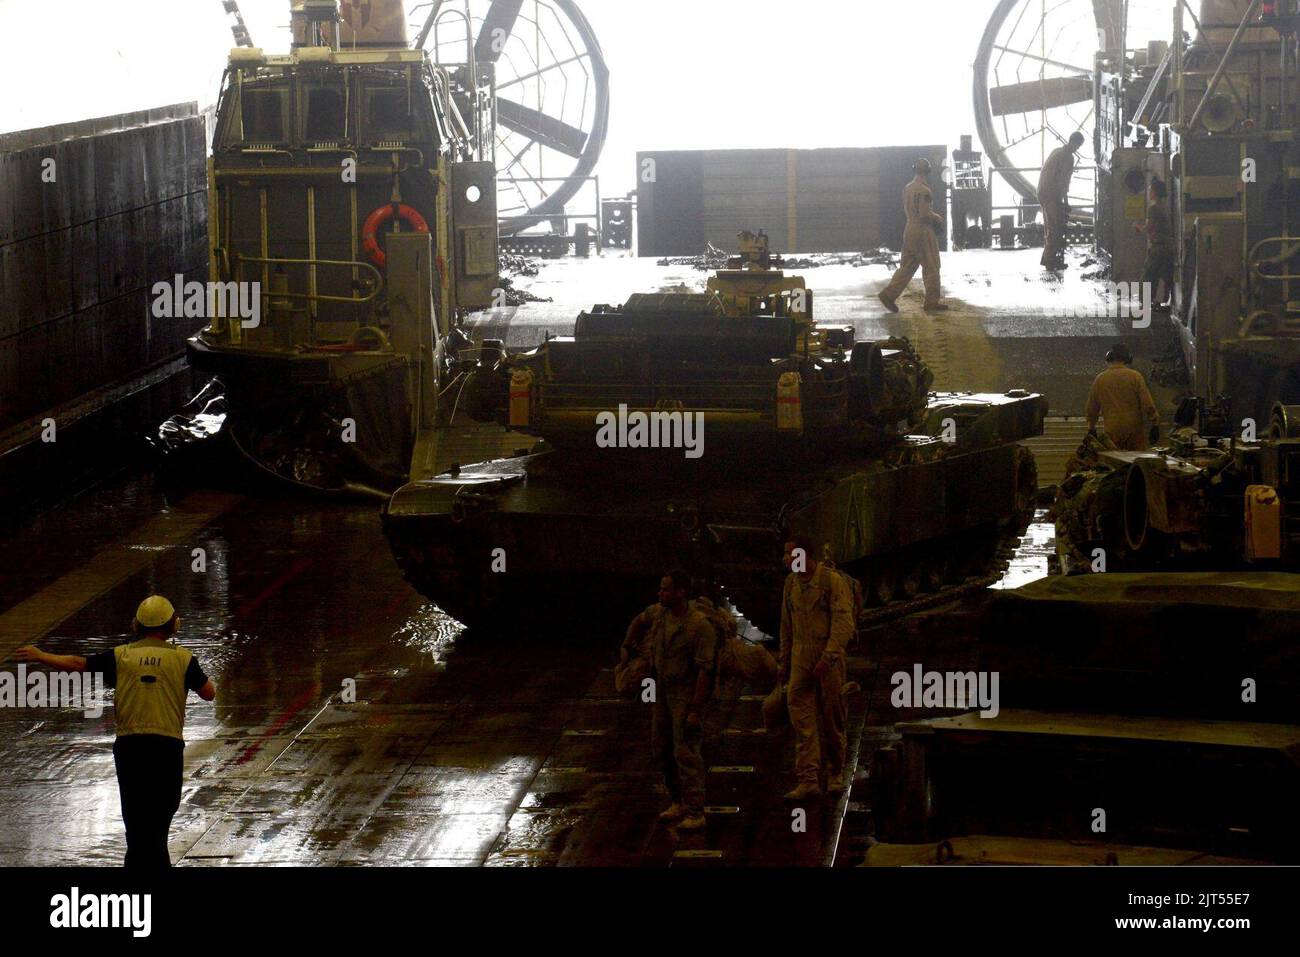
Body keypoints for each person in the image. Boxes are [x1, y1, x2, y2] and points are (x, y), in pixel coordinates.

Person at [12, 595, 215, 868]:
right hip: (166, 748)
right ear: (173, 626)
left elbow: (77, 664)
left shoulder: (121, 656)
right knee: (159, 821)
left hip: (130, 748)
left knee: (135, 821)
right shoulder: (183, 659)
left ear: (136, 625)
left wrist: (40, 655)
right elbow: (209, 693)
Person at [621, 570, 718, 830]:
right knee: (661, 748)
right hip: (662, 691)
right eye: (660, 589)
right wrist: (627, 647)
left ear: (681, 592)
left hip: (685, 695)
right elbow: (639, 621)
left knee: (685, 753)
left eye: (666, 590)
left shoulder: (699, 626)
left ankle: (696, 811)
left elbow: (704, 672)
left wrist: (696, 710)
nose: (660, 594)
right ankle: (677, 801)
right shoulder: (660, 614)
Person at [778, 535, 854, 800]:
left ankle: (835, 771)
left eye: (791, 554)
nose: (786, 559)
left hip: (826, 656)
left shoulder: (831, 581)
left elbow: (843, 623)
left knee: (833, 716)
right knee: (802, 721)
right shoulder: (791, 584)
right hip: (801, 655)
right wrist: (784, 660)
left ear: (805, 555)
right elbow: (786, 626)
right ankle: (808, 778)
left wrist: (829, 657)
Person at [878, 158, 948, 314]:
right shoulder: (924, 190)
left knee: (907, 266)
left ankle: (888, 295)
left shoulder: (907, 188)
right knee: (932, 266)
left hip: (909, 229)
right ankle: (931, 302)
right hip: (923, 231)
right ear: (928, 171)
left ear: (914, 169)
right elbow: (924, 213)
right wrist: (937, 218)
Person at [1085, 343, 1160, 451]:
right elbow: (1147, 404)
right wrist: (1155, 424)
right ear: (1128, 358)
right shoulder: (1135, 377)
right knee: (1135, 462)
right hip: (1134, 428)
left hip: (1112, 428)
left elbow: (1092, 407)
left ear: (1109, 358)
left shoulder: (1100, 379)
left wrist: (1091, 428)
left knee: (1115, 462)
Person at [1038, 131, 1086, 270]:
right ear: (1076, 144)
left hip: (1043, 192)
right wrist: (1065, 202)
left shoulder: (1057, 151)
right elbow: (1064, 183)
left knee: (1050, 226)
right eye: (1078, 146)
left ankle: (1048, 257)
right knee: (1056, 228)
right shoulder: (1068, 157)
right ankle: (1050, 260)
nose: (1077, 149)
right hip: (1052, 194)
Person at [1136, 178, 1174, 308]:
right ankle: (1165, 301)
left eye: (1151, 190)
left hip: (1158, 247)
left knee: (1148, 276)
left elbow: (1149, 227)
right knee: (1163, 276)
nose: (1149, 192)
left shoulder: (1153, 209)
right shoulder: (1166, 207)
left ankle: (1145, 305)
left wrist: (1138, 227)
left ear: (1155, 192)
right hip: (1168, 247)